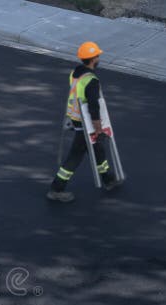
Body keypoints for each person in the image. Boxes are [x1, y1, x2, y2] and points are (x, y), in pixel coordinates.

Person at [47, 41, 119, 203]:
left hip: (75, 118)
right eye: (97, 56)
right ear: (93, 59)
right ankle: (56, 189)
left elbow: (75, 97)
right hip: (85, 122)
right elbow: (93, 106)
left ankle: (108, 179)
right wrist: (98, 127)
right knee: (76, 155)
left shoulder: (75, 73)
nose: (99, 58)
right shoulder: (91, 80)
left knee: (98, 148)